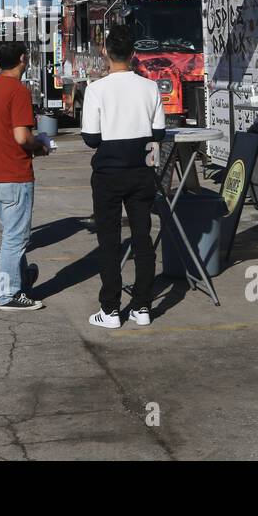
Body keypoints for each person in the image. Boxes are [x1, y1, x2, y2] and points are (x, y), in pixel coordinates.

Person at [81, 25, 165, 330]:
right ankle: (142, 306)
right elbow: (159, 133)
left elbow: (91, 138)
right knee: (143, 237)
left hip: (108, 173)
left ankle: (111, 309)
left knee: (109, 240)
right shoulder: (150, 87)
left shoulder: (96, 89)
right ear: (134, 53)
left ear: (105, 52)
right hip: (141, 171)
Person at [0, 40, 49, 311]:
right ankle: (8, 294)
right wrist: (39, 145)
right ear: (23, 58)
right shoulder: (18, 91)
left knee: (12, 233)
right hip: (15, 174)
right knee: (16, 238)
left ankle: (20, 280)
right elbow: (22, 136)